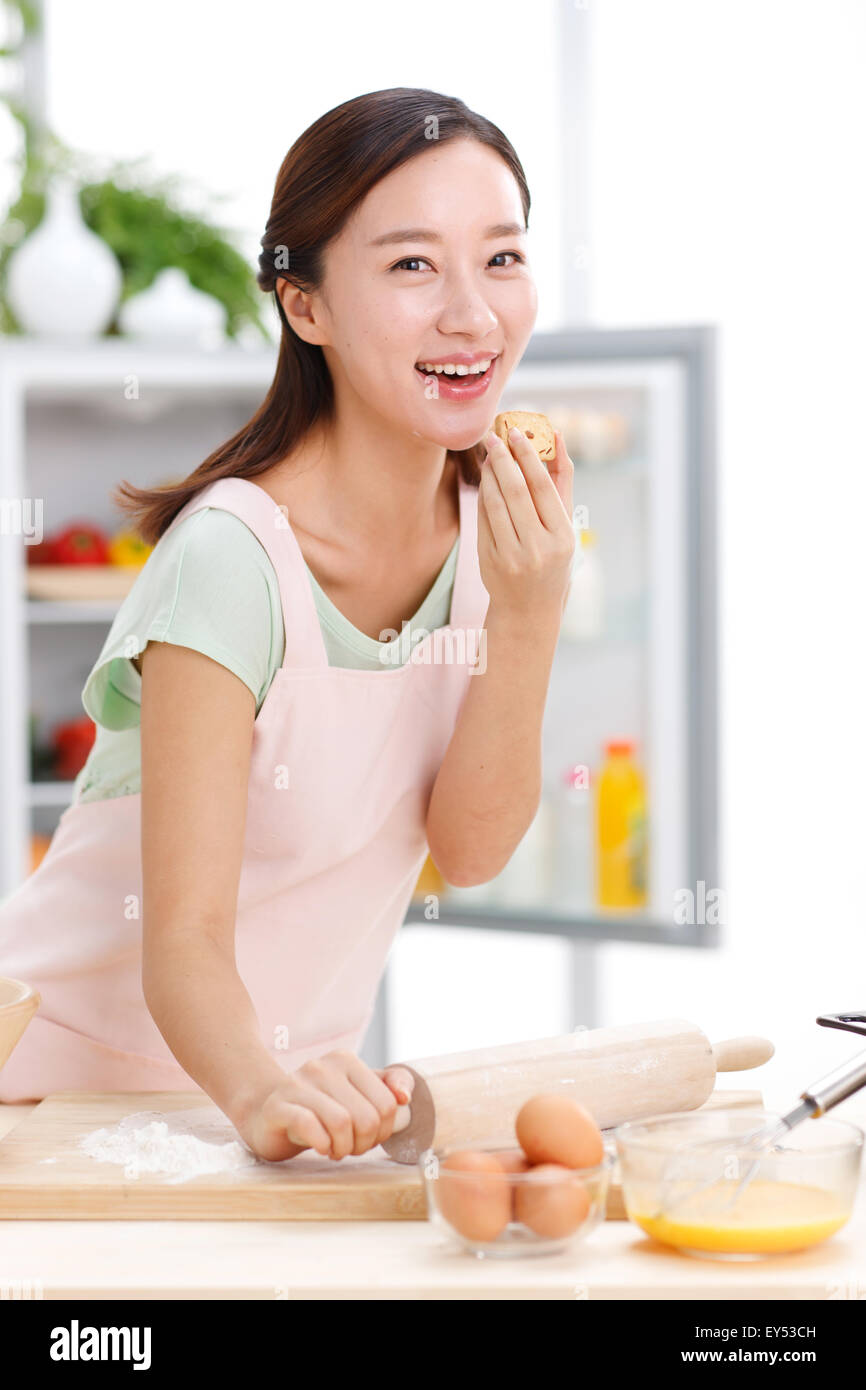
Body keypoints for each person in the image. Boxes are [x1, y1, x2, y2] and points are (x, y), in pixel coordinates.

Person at [0, 88, 575, 1163]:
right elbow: (179, 946)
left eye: (501, 258)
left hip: (277, 1111)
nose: (472, 314)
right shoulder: (231, 558)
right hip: (55, 1108)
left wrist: (531, 616)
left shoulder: (488, 537)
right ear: (302, 303)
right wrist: (260, 1090)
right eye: (412, 265)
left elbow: (470, 847)